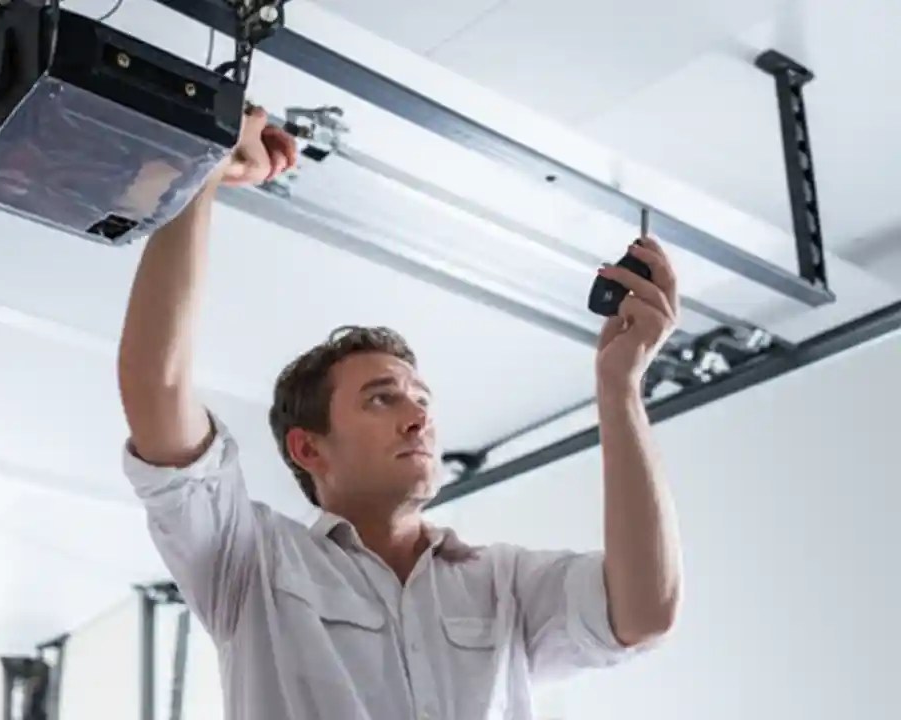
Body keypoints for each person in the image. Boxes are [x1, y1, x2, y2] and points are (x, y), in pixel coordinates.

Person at [116, 105, 683, 719]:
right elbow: (157, 385)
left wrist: (620, 388)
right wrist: (203, 173)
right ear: (309, 448)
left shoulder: (504, 585)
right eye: (381, 398)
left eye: (421, 401)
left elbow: (646, 611)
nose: (418, 419)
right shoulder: (250, 564)